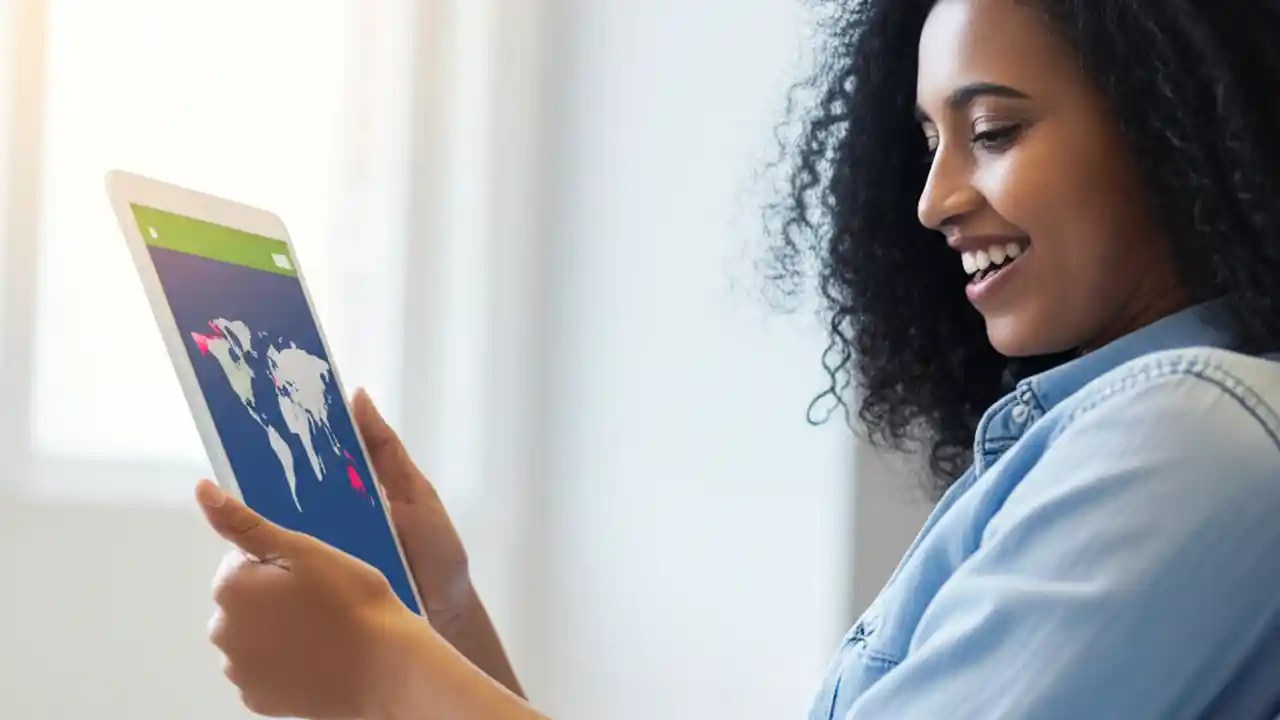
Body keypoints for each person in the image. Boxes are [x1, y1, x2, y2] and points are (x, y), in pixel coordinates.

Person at [195, 0, 1280, 717]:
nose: (934, 198)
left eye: (990, 130)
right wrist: (444, 617)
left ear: (1167, 125)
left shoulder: (1191, 436)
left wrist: (387, 672)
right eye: (927, 143)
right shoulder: (1120, 440)